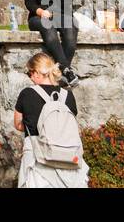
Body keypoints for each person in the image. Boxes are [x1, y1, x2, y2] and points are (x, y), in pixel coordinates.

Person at [15, 52, 88, 188]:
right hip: (67, 159)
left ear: (36, 72)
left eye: (29, 73)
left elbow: (18, 124)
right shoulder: (68, 95)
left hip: (38, 161)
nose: (30, 78)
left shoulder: (27, 93)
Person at [24, 0, 80, 86]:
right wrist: (41, 12)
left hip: (59, 16)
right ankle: (66, 69)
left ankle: (61, 73)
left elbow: (67, 8)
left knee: (71, 25)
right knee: (47, 26)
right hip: (38, 17)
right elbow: (29, 3)